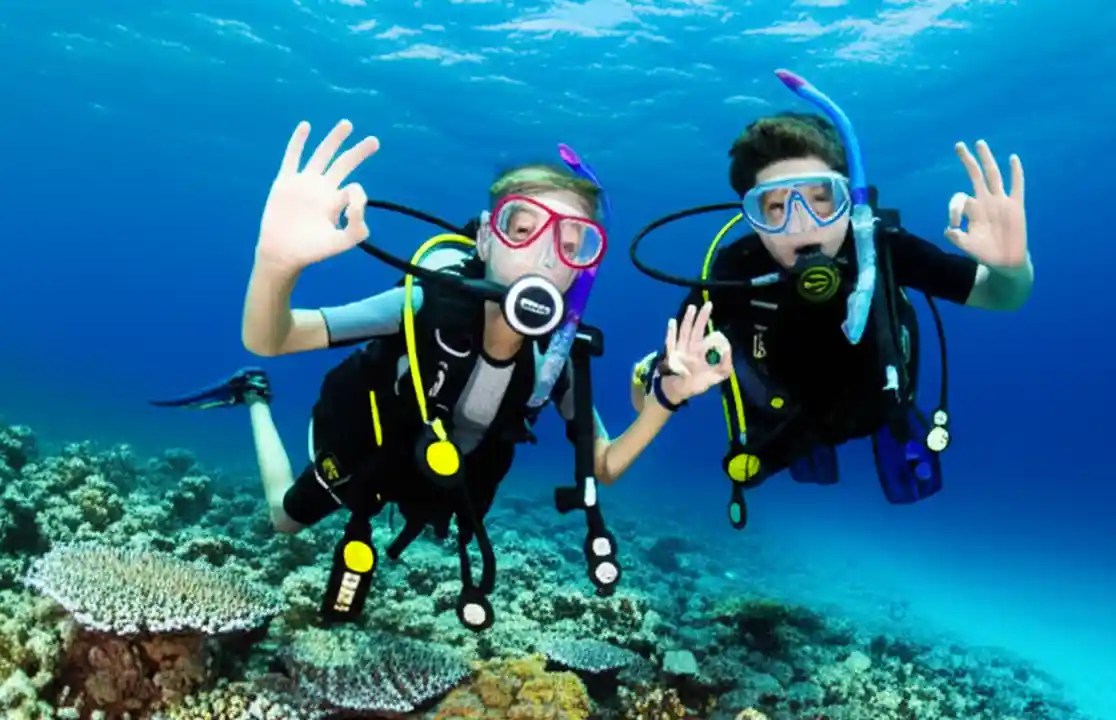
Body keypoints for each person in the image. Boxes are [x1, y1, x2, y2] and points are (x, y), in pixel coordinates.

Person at [153, 119, 733, 630]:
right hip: (368, 443)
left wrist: (665, 399)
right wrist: (275, 265)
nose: (544, 255)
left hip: (447, 476)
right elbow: (271, 337)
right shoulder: (423, 303)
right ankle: (254, 396)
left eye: (572, 241)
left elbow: (603, 466)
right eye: (522, 227)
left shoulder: (555, 361)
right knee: (284, 520)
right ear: (485, 236)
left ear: (583, 266)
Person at [627, 69, 1033, 529]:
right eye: (775, 206)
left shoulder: (883, 247)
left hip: (880, 407)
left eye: (823, 199)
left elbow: (1004, 297)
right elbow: (649, 395)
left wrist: (1013, 267)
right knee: (773, 452)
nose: (802, 223)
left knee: (891, 431)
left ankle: (888, 440)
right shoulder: (735, 272)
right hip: (788, 421)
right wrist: (660, 379)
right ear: (753, 218)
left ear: (851, 199)